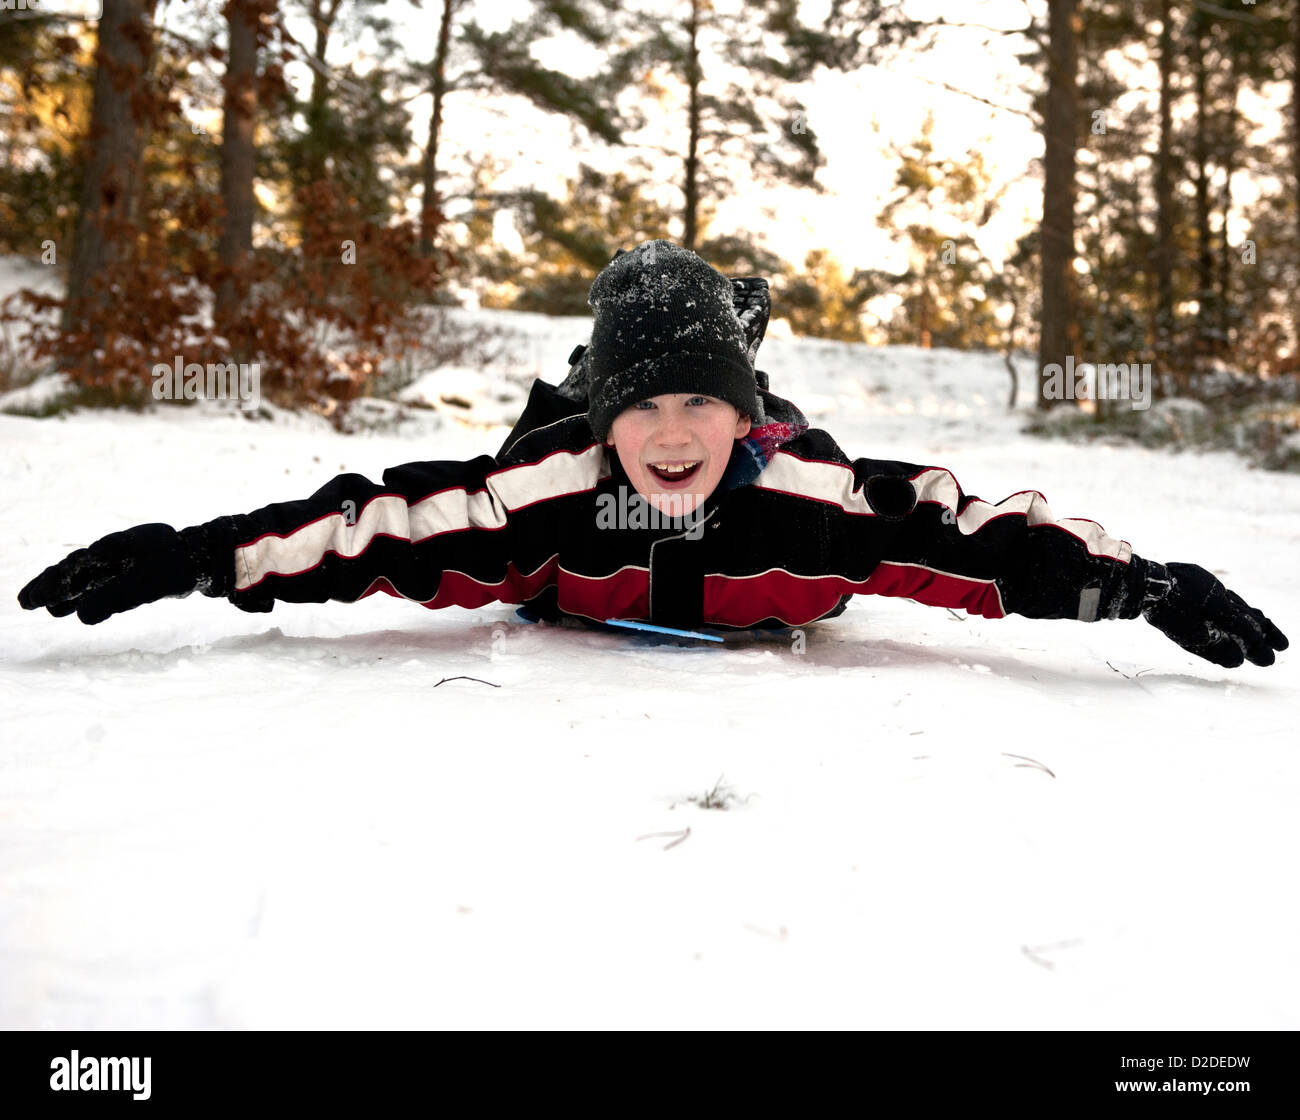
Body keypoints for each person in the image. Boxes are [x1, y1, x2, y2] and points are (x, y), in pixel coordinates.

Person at [17, 241, 1288, 669]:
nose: (671, 434)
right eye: (646, 408)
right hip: (570, 446)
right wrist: (197, 557)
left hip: (766, 462)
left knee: (776, 434)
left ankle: (729, 332)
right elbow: (383, 530)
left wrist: (1147, 582)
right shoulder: (554, 493)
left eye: (700, 404)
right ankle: (637, 331)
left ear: (737, 418)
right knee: (544, 439)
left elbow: (961, 532)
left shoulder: (809, 506)